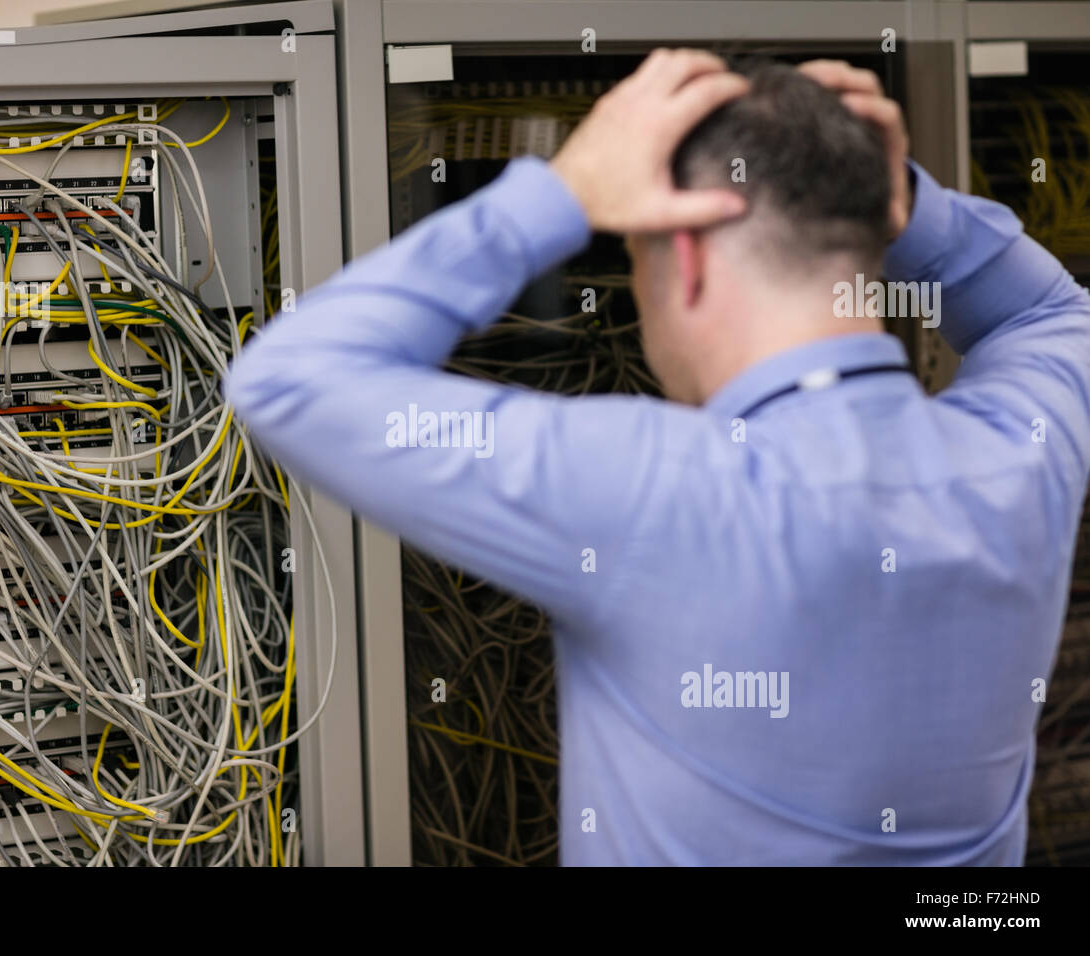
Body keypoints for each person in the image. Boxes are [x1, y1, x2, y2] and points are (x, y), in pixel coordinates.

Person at [226, 51, 1090, 864]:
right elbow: (1050, 317)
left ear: (682, 254)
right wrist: (901, 199)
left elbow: (287, 378)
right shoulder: (1016, 459)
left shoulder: (650, 488)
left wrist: (559, 196)